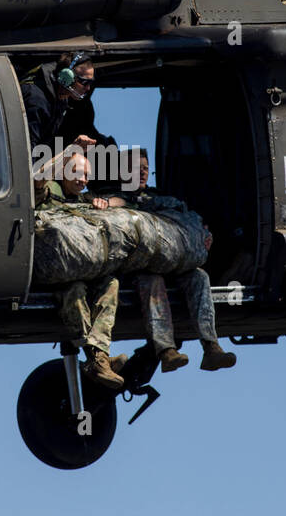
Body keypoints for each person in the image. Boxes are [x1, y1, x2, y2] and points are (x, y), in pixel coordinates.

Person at [106, 149, 236, 373]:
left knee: (199, 277)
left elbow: (185, 217)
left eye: (146, 168)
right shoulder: (112, 197)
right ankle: (166, 350)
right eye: (137, 168)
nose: (143, 173)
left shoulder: (160, 197)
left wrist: (201, 233)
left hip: (173, 264)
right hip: (139, 268)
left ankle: (211, 347)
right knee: (152, 281)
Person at [36, 149, 126, 390]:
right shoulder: (49, 191)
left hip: (85, 269)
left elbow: (123, 201)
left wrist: (106, 203)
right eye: (77, 172)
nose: (83, 180)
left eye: (87, 175)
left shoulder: (84, 200)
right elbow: (37, 180)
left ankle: (99, 356)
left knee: (111, 283)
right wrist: (69, 150)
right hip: (57, 272)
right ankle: (98, 358)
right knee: (74, 291)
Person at [21, 52, 109, 154]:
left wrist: (72, 149)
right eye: (85, 82)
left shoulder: (61, 99)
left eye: (91, 83)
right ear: (67, 77)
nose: (88, 88)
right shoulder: (37, 100)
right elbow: (26, 152)